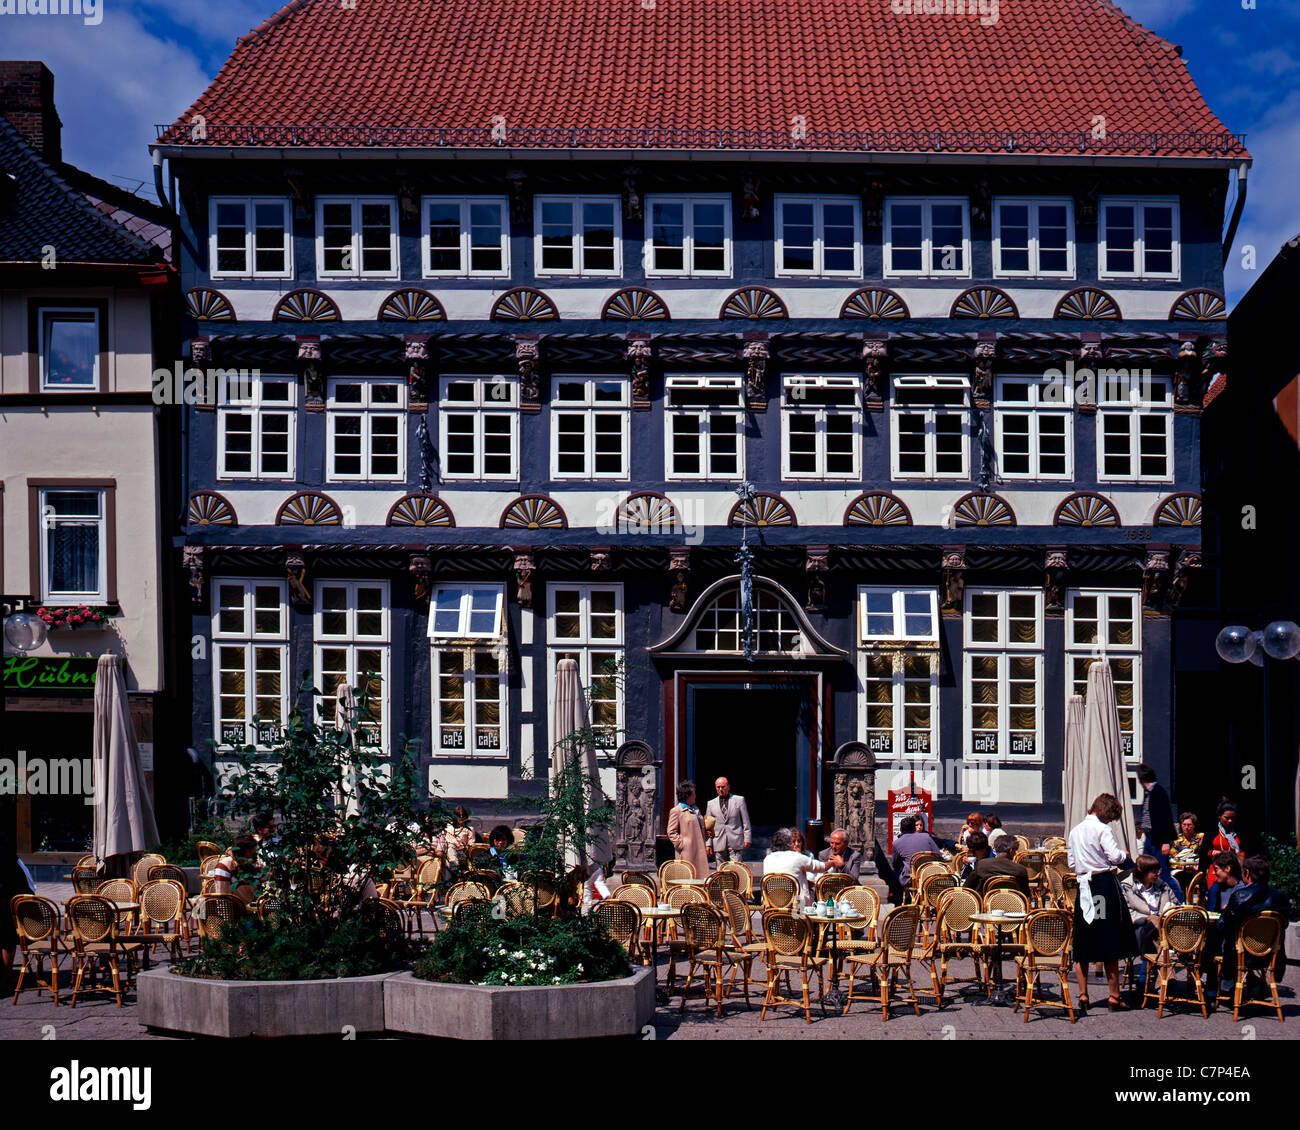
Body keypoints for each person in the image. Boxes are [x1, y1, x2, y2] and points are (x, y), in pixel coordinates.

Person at [1067, 792, 1138, 1012]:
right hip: (1103, 886)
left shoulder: (1075, 830)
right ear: (1106, 813)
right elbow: (1116, 858)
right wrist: (1122, 854)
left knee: (1084, 938)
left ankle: (1083, 994)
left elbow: (1071, 863)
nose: (1110, 821)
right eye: (1110, 817)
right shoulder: (1103, 829)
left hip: (1084, 887)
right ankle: (1114, 996)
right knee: (1109, 938)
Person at [1216, 854, 1291, 999]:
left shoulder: (1240, 895)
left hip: (1241, 955)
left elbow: (1223, 925)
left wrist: (1225, 912)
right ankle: (1253, 983)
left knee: (1215, 941)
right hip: (1270, 954)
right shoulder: (1281, 898)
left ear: (1247, 873)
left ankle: (1218, 989)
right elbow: (1284, 925)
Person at [1121, 854, 1179, 985]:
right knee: (1151, 928)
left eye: (1159, 870)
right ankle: (1163, 981)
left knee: (1158, 932)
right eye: (1153, 871)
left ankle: (1146, 980)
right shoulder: (1127, 887)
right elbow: (1128, 913)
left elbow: (1175, 903)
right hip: (1138, 927)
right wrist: (1149, 919)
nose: (1158, 874)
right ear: (1143, 871)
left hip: (1163, 927)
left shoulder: (1162, 886)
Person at [1135, 764, 1180, 898]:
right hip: (1149, 837)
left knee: (1163, 872)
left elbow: (1165, 817)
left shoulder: (1158, 792)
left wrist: (1165, 842)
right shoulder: (1149, 793)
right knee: (1145, 868)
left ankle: (1180, 901)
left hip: (1158, 839)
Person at [765, 827, 840, 903]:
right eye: (792, 841)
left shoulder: (767, 859)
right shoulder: (797, 857)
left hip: (771, 903)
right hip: (795, 905)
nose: (795, 844)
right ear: (789, 844)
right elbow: (821, 867)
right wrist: (832, 862)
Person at [1, 841, 35, 996]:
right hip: (13, 899)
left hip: (15, 903)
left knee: (7, 936)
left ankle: (6, 976)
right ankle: (6, 974)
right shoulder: (9, 855)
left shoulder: (6, 856)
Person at [964, 832, 1030, 898]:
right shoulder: (1021, 870)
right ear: (1011, 851)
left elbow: (967, 886)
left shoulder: (982, 865)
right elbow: (1026, 894)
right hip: (1012, 905)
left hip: (987, 904)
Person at [666, 780, 710, 877]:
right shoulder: (677, 811)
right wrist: (682, 844)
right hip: (687, 853)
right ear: (687, 796)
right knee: (688, 878)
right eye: (693, 794)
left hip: (699, 850)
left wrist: (706, 834)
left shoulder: (695, 809)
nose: (695, 796)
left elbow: (698, 829)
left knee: (700, 878)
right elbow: (671, 831)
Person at [706, 776, 751, 864]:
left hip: (735, 840)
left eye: (723, 787)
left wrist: (747, 839)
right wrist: (708, 844)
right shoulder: (711, 804)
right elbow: (708, 827)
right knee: (721, 871)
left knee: (736, 869)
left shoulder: (739, 800)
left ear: (728, 787)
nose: (720, 789)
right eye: (718, 787)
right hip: (718, 841)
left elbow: (746, 822)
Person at [890, 815, 942, 889]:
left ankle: (897, 898)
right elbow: (938, 855)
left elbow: (895, 863)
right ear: (914, 828)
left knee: (895, 873)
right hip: (929, 874)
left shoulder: (897, 843)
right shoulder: (926, 836)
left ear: (900, 829)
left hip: (912, 878)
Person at [213, 835, 259, 905]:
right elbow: (222, 901)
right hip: (234, 911)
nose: (255, 856)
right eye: (251, 853)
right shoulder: (224, 867)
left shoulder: (255, 865)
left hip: (253, 910)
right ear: (238, 854)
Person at [444, 806, 475, 873]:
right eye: (459, 815)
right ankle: (455, 869)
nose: (461, 817)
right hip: (449, 852)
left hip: (462, 852)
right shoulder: (448, 828)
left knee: (451, 849)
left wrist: (464, 847)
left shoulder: (469, 829)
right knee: (450, 848)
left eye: (463, 815)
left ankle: (454, 868)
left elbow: (472, 845)